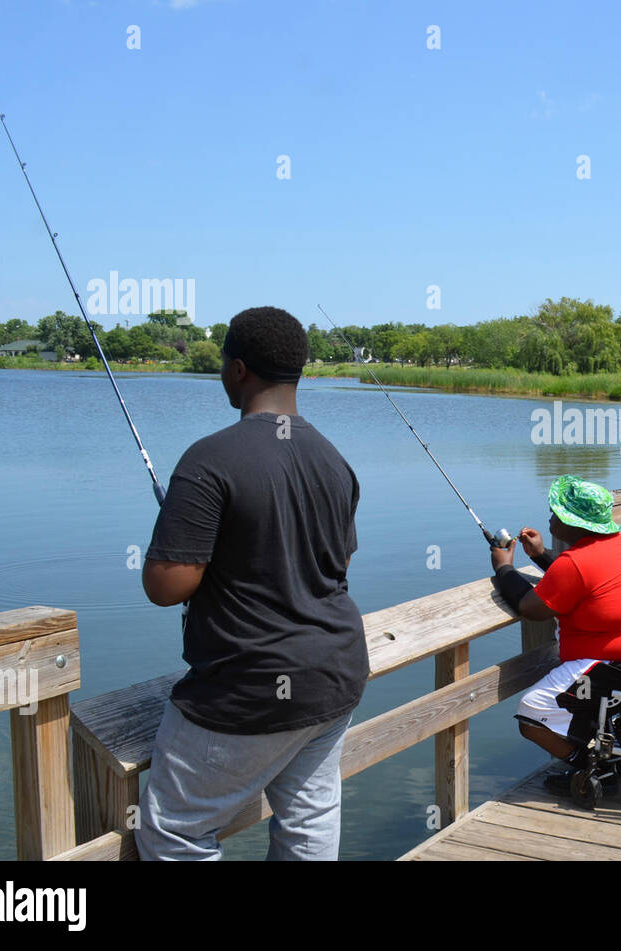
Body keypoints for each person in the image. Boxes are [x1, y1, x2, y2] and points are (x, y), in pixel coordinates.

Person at [137, 307, 368, 860]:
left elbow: (166, 585)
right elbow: (335, 567)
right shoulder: (333, 460)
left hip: (249, 686)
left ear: (238, 369)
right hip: (333, 675)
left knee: (176, 831)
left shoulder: (210, 459)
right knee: (308, 816)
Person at [492, 475, 621, 793]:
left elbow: (530, 607)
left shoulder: (576, 562)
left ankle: (594, 766)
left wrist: (503, 567)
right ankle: (607, 751)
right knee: (578, 689)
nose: (550, 518)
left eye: (557, 513)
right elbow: (583, 579)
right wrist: (541, 555)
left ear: (575, 525)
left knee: (531, 712)